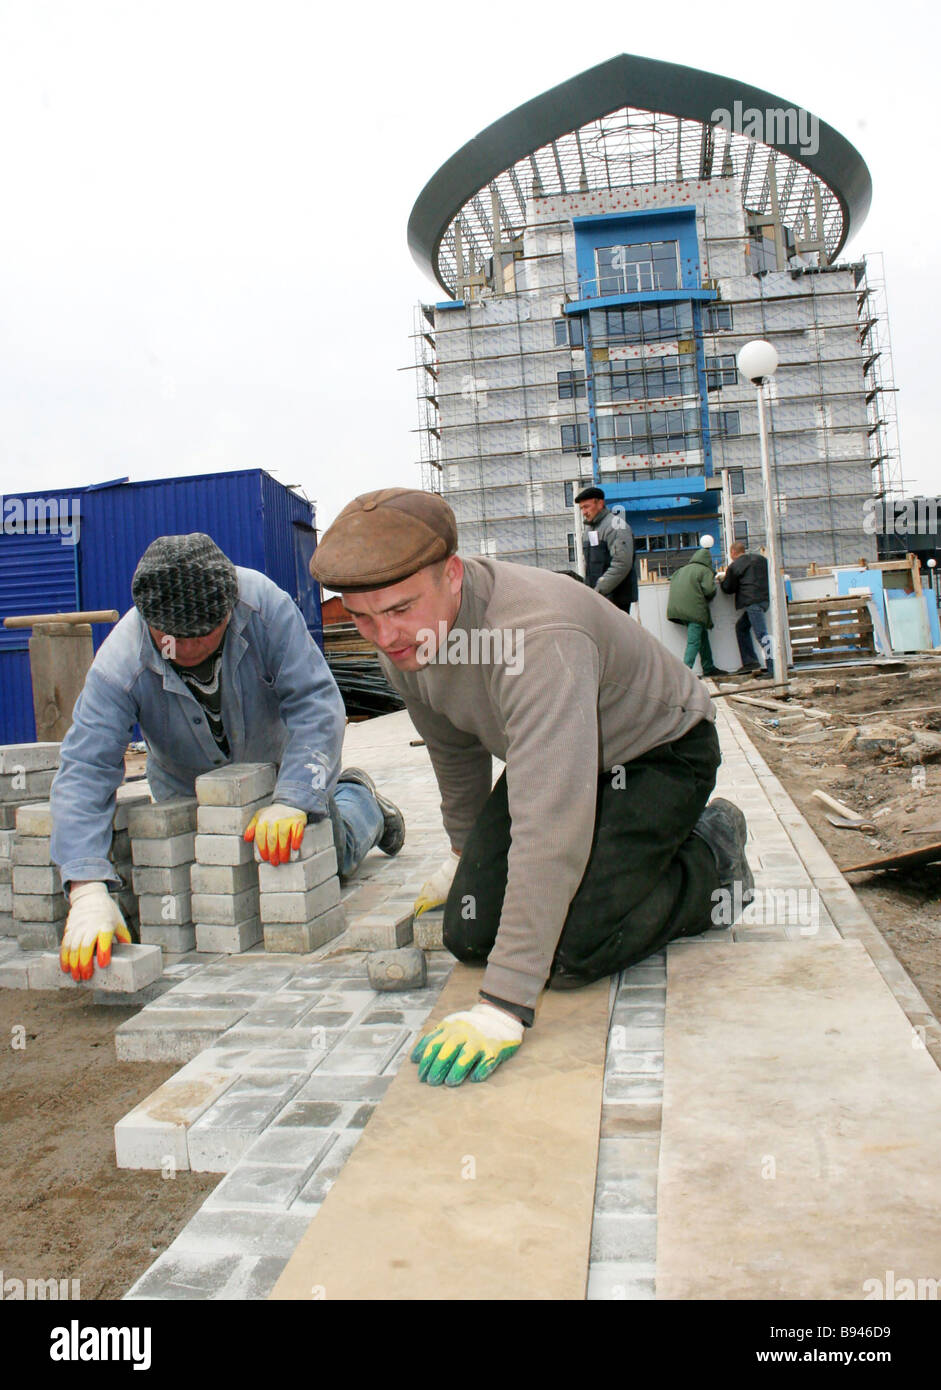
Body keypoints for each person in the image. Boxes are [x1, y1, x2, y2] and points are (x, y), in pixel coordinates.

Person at [309, 488, 753, 1088]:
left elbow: (551, 823)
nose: (384, 636)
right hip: (553, 753)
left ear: (453, 575)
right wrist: (465, 855)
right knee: (469, 932)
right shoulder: (403, 641)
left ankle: (712, 855)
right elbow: (454, 748)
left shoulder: (533, 635)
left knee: (570, 948)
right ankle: (632, 862)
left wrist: (503, 1005)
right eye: (361, 617)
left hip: (658, 752)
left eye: (400, 609)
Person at [51, 533, 404, 981]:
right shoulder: (120, 662)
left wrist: (295, 798)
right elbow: (86, 768)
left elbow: (315, 702)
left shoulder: (265, 607)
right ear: (148, 619)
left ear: (230, 606)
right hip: (188, 792)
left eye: (204, 635)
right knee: (208, 887)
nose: (189, 648)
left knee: (330, 861)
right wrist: (86, 889)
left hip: (279, 779)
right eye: (173, 638)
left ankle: (360, 800)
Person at [666, 536, 729, 678]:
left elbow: (671, 578)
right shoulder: (705, 570)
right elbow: (709, 591)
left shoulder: (683, 569)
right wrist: (715, 581)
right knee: (694, 641)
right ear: (708, 561)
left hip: (676, 608)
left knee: (702, 637)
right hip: (694, 609)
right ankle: (685, 672)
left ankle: (708, 667)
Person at [574, 486, 637, 613]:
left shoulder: (616, 527)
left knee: (617, 633)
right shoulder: (589, 530)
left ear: (600, 503)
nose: (584, 512)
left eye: (587, 506)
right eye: (581, 508)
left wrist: (598, 590)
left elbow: (621, 563)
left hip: (616, 599)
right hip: (599, 598)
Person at [719, 542, 772, 673]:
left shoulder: (735, 566)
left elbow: (728, 588)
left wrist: (722, 579)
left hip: (752, 602)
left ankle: (773, 669)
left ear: (732, 552)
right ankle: (750, 662)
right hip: (765, 600)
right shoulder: (761, 559)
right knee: (741, 628)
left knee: (762, 635)